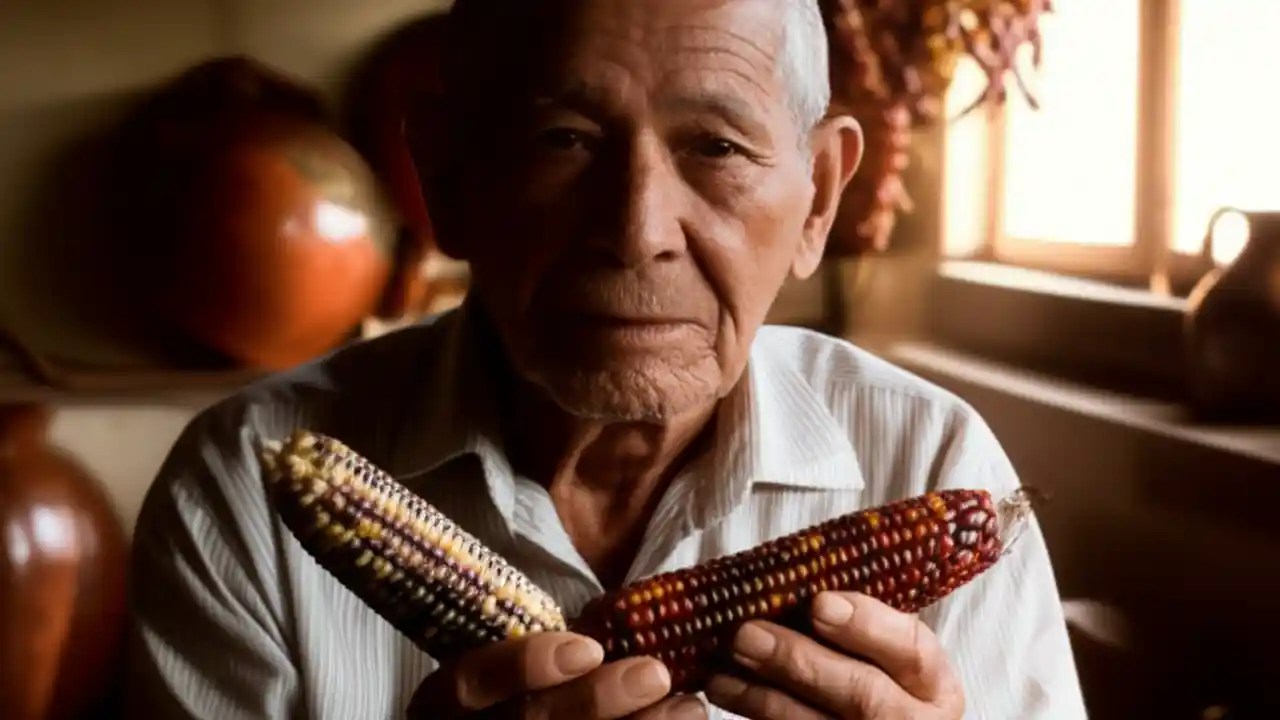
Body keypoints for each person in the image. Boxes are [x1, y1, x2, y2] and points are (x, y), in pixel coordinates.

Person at [122, 0, 1088, 718]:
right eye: (562, 139)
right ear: (447, 177)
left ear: (822, 199)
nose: (635, 233)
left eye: (715, 146)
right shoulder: (240, 491)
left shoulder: (931, 460)